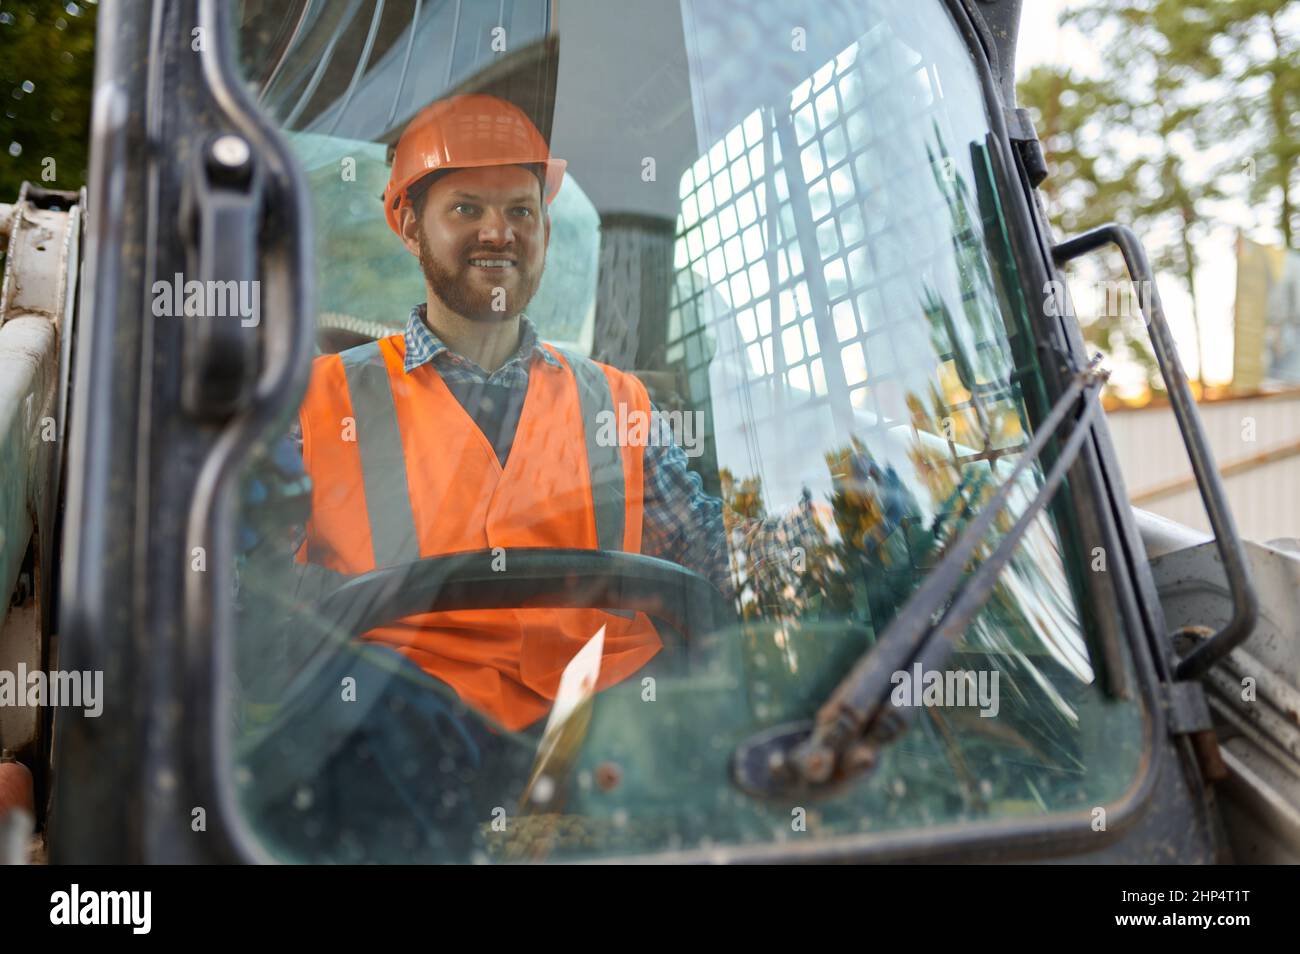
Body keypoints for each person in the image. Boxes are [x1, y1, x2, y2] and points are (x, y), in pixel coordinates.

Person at [238, 94, 816, 860]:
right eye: (466, 207)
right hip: (399, 738)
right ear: (409, 224)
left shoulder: (618, 402)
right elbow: (253, 601)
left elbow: (718, 561)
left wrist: (807, 546)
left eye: (521, 207)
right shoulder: (311, 402)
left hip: (608, 732)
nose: (498, 231)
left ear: (543, 228)